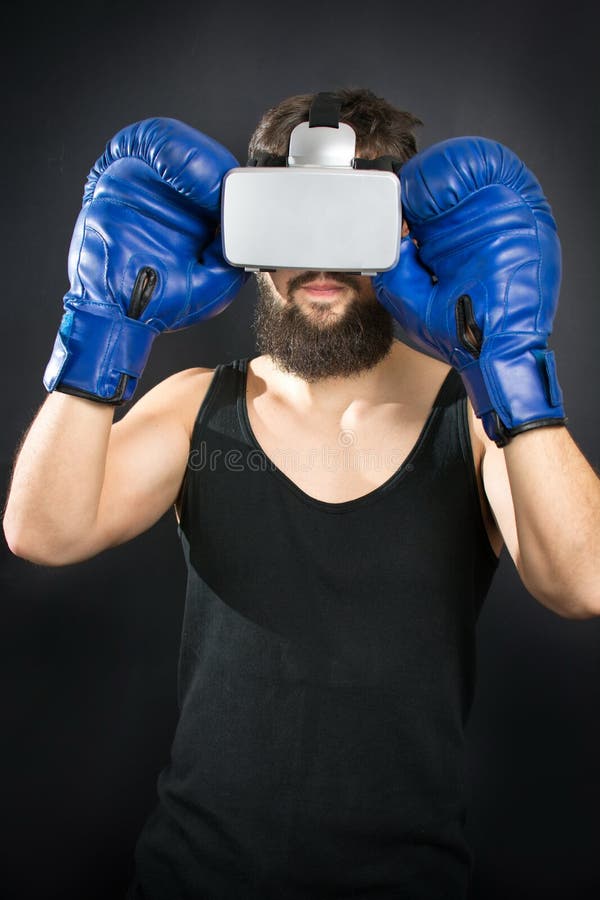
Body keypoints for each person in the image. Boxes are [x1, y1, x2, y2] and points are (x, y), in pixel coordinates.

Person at [3, 88, 599, 899]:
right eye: (293, 218)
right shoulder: (196, 405)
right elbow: (42, 531)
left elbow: (584, 582)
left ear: (405, 231)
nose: (321, 263)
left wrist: (510, 365)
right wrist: (104, 325)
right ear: (250, 230)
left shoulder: (474, 419)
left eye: (349, 220)